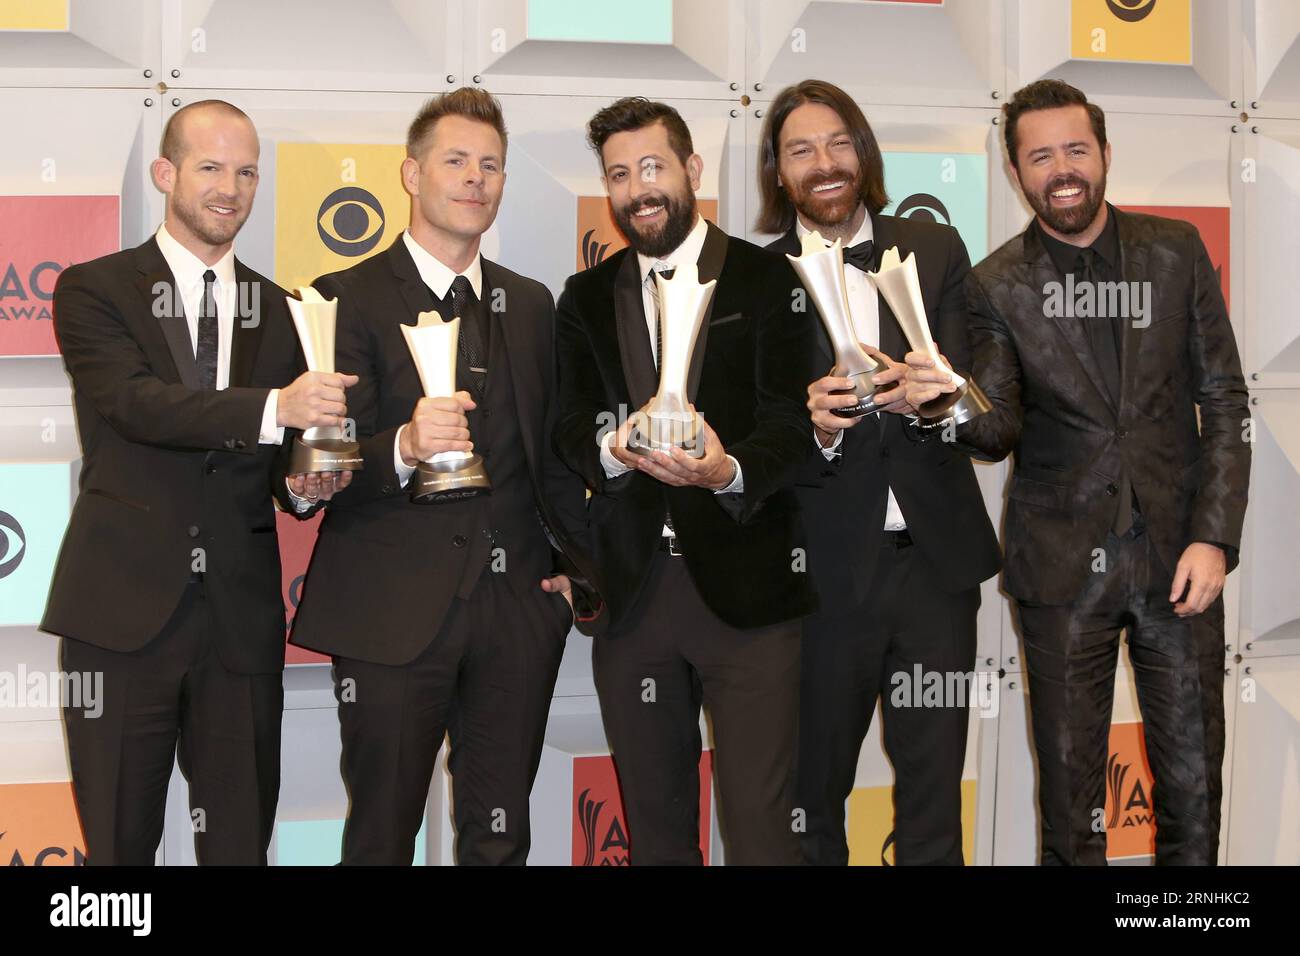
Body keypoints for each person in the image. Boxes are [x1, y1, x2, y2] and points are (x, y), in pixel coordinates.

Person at [906, 79, 1251, 865]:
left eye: (1075, 149)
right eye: (1040, 156)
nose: (1061, 169)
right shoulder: (995, 284)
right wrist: (947, 400)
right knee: (1071, 811)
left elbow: (1224, 399)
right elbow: (997, 429)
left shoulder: (1176, 251)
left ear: (1102, 153)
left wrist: (1216, 540)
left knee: (1195, 797)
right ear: (1015, 171)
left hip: (1179, 565)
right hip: (1062, 575)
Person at [283, 88, 594, 865]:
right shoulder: (340, 299)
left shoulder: (529, 302)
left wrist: (570, 572)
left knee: (500, 838)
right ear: (410, 175)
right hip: (390, 614)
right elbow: (317, 470)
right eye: (455, 160)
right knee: (382, 836)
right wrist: (401, 447)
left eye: (491, 165)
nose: (475, 179)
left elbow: (551, 454)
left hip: (517, 612)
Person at [42, 100, 356, 865]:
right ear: (165, 173)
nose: (231, 187)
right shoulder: (94, 289)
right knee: (117, 850)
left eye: (247, 171)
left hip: (239, 625)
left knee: (242, 845)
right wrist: (276, 408)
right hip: (118, 618)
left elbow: (284, 470)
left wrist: (305, 488)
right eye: (211, 166)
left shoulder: (286, 313)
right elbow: (134, 403)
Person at [552, 96, 817, 864]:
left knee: (763, 828)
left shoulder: (769, 280)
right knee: (657, 827)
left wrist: (728, 468)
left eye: (654, 167)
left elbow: (793, 431)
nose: (640, 188)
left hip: (752, 593)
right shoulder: (584, 299)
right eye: (620, 174)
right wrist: (614, 449)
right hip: (636, 598)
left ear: (692, 169)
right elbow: (567, 431)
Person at [760, 79, 1001, 865]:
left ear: (863, 152)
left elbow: (986, 410)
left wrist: (937, 399)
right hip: (820, 577)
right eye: (801, 150)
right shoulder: (751, 280)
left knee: (935, 796)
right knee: (812, 793)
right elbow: (748, 451)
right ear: (779, 171)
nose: (823, 164)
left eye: (837, 143)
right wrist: (815, 428)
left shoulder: (935, 247)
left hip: (935, 572)